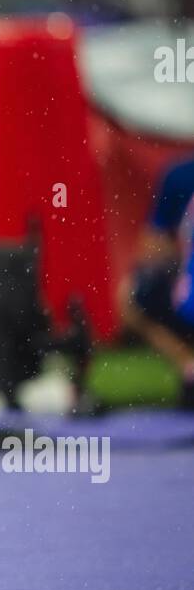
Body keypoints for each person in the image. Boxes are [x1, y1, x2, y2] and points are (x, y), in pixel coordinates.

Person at [120, 156, 194, 407]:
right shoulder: (181, 176)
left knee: (131, 295)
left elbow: (153, 248)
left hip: (186, 298)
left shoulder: (182, 175)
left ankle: (189, 366)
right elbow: (154, 248)